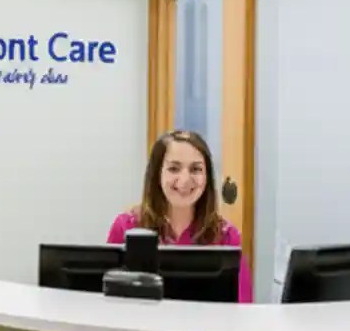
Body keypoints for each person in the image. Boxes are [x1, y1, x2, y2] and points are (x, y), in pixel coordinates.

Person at [108, 129, 253, 303]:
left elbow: (243, 307)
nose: (185, 180)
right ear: (157, 174)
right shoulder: (126, 226)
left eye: (195, 169)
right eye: (174, 168)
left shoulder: (227, 236)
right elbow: (108, 302)